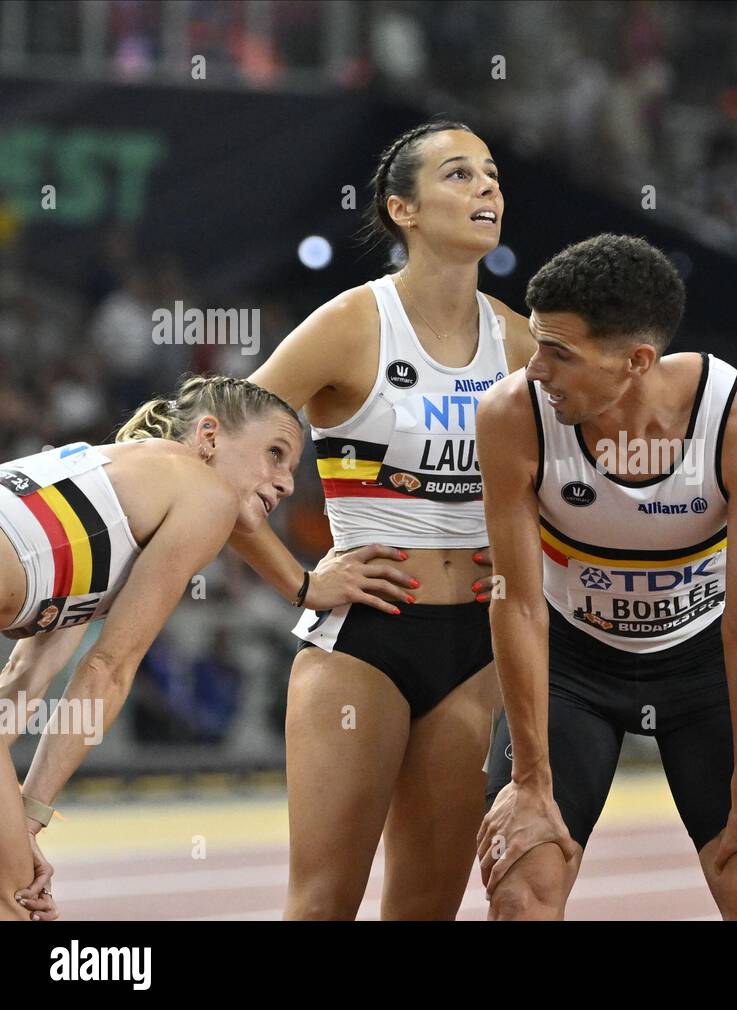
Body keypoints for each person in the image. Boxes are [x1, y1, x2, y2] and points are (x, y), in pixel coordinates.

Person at [231, 120, 535, 919]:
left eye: (493, 175)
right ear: (403, 208)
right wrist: (300, 581)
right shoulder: (352, 323)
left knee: (427, 908)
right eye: (460, 175)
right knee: (324, 902)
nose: (487, 188)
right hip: (366, 640)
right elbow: (219, 458)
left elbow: (562, 490)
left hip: (477, 649)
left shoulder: (518, 340)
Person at [475, 233, 737, 920]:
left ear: (637, 361)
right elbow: (517, 604)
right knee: (521, 892)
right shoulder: (513, 415)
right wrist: (530, 780)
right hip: (571, 667)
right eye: (537, 344)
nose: (535, 367)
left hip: (703, 665)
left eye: (559, 353)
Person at [0, 374, 304, 921]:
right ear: (208, 435)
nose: (284, 482)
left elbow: (23, 680)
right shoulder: (203, 493)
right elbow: (108, 668)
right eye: (275, 454)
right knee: (17, 901)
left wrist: (19, 822)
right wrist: (22, 829)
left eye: (291, 469)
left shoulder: (107, 491)